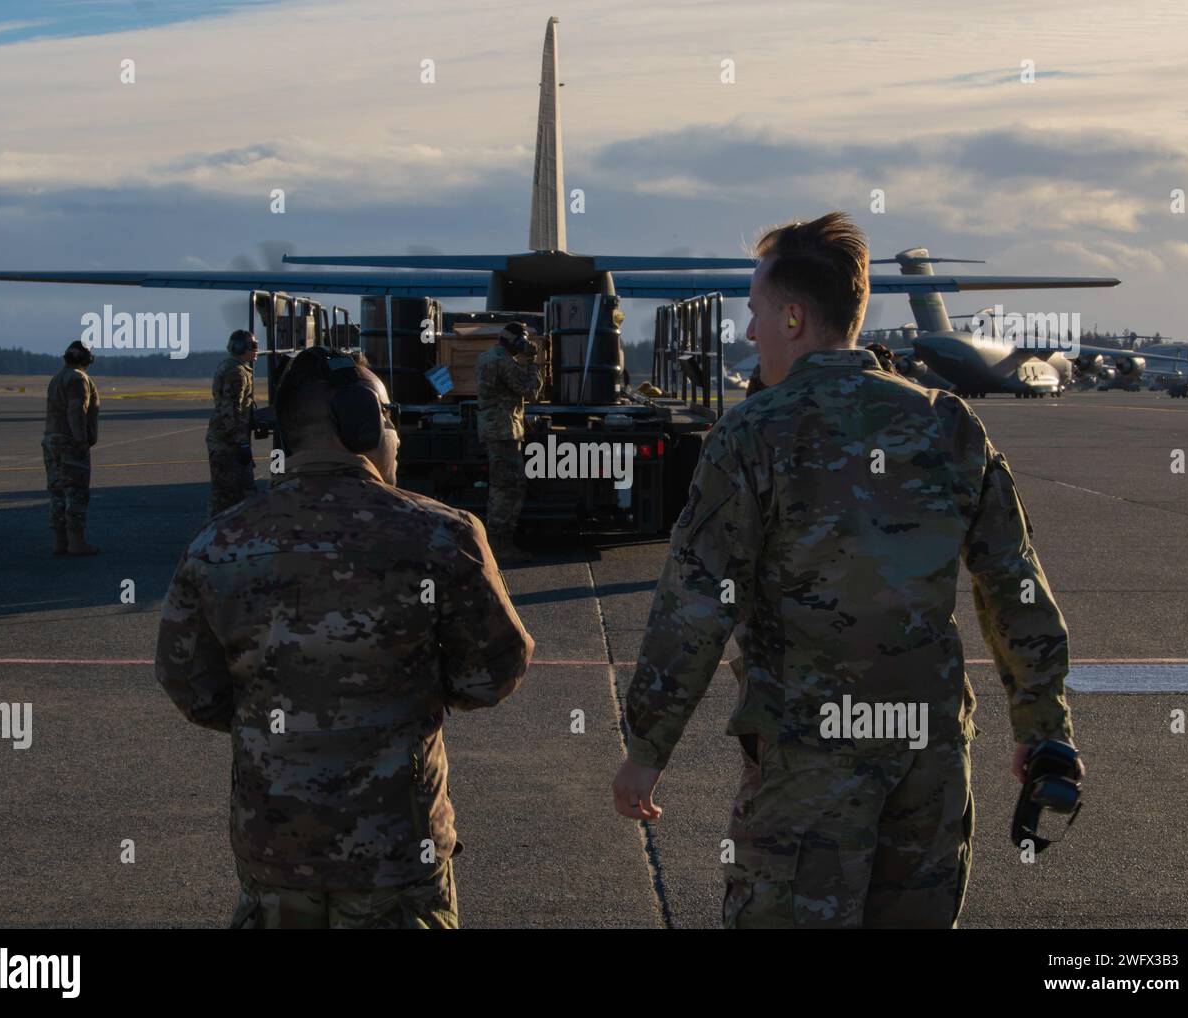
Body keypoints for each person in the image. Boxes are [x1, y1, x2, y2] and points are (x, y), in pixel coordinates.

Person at [611, 211, 1082, 929]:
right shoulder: (946, 424)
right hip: (926, 766)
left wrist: (648, 747)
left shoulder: (753, 432)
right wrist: (1042, 725)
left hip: (808, 772)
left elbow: (696, 604)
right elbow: (1014, 582)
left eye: (756, 313)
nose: (748, 333)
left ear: (794, 318)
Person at [155, 347, 533, 929]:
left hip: (275, 855)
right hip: (397, 860)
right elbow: (492, 675)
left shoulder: (218, 545)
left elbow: (193, 689)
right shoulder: (441, 535)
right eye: (389, 418)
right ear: (360, 423)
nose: (397, 437)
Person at [475, 322, 542, 564]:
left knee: (507, 485)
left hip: (497, 429)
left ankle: (499, 542)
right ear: (516, 341)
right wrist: (532, 362)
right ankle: (499, 545)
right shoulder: (503, 361)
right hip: (503, 432)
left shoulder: (486, 357)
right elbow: (530, 390)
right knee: (506, 488)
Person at [42, 340, 101, 556]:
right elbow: (76, 410)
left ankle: (60, 542)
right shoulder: (78, 378)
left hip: (51, 440)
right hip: (69, 443)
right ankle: (76, 543)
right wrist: (80, 440)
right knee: (75, 492)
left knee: (57, 492)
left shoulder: (57, 378)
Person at [206, 329, 258, 517]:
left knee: (241, 490)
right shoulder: (236, 373)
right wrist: (241, 441)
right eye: (253, 346)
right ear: (240, 348)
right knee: (225, 495)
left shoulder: (233, 367)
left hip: (228, 437)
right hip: (227, 441)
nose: (256, 350)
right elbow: (230, 410)